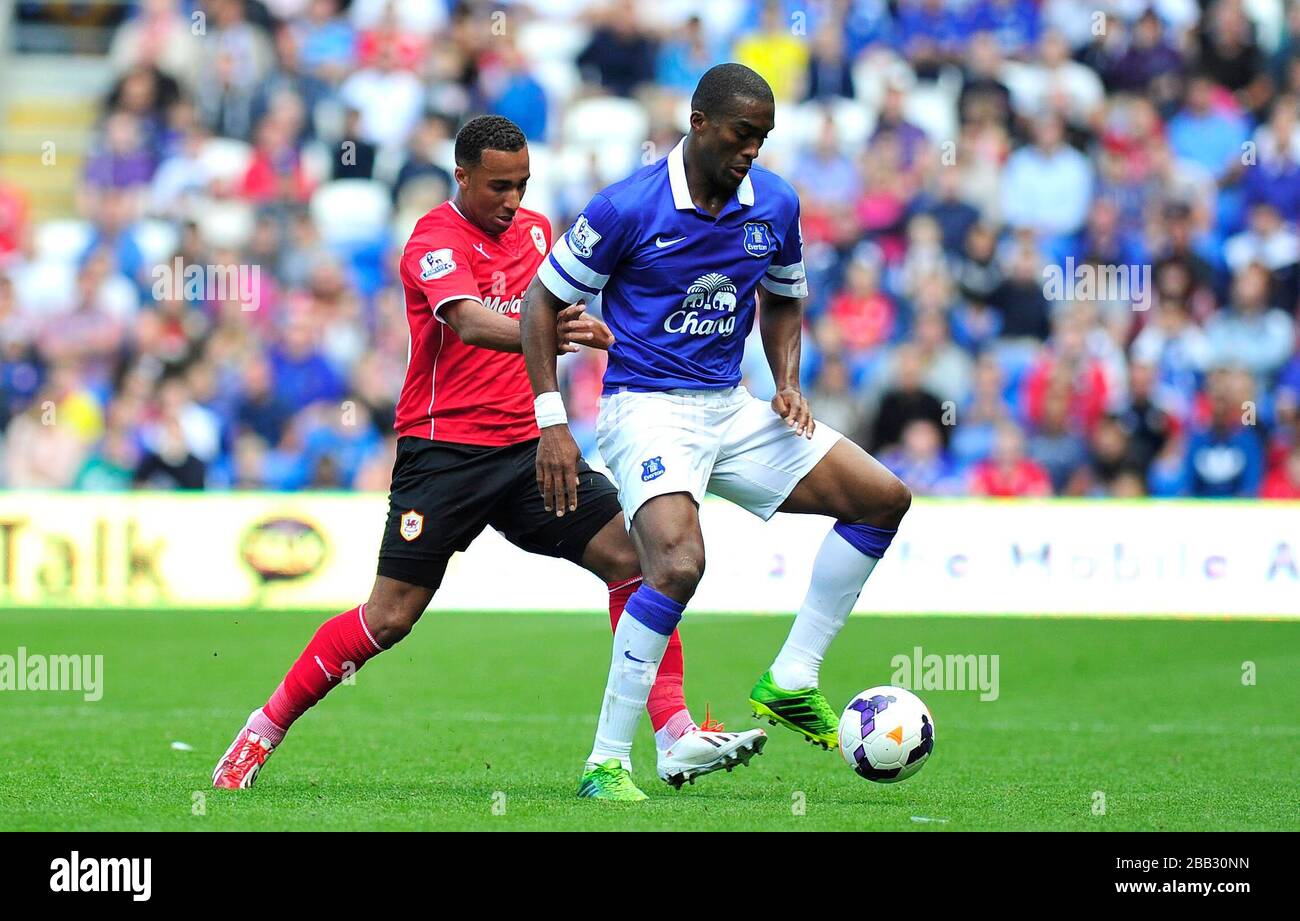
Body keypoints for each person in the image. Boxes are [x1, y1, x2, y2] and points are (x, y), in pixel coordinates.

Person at [213, 116, 764, 793]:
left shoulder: (537, 230)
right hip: (444, 453)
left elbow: (561, 308)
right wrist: (552, 331)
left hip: (530, 448)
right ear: (463, 177)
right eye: (499, 185)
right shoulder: (432, 239)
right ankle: (262, 729)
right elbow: (469, 320)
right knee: (389, 617)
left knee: (637, 558)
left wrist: (566, 375)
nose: (512, 198)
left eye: (522, 184)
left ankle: (674, 731)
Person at [521, 65, 911, 802]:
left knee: (882, 498)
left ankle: (793, 676)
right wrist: (551, 422)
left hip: (731, 406)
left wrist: (788, 383)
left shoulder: (777, 203)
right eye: (741, 134)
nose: (751, 152)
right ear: (699, 123)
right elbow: (541, 302)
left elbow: (785, 298)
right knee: (676, 564)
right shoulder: (627, 207)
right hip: (647, 406)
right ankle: (605, 761)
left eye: (763, 138)